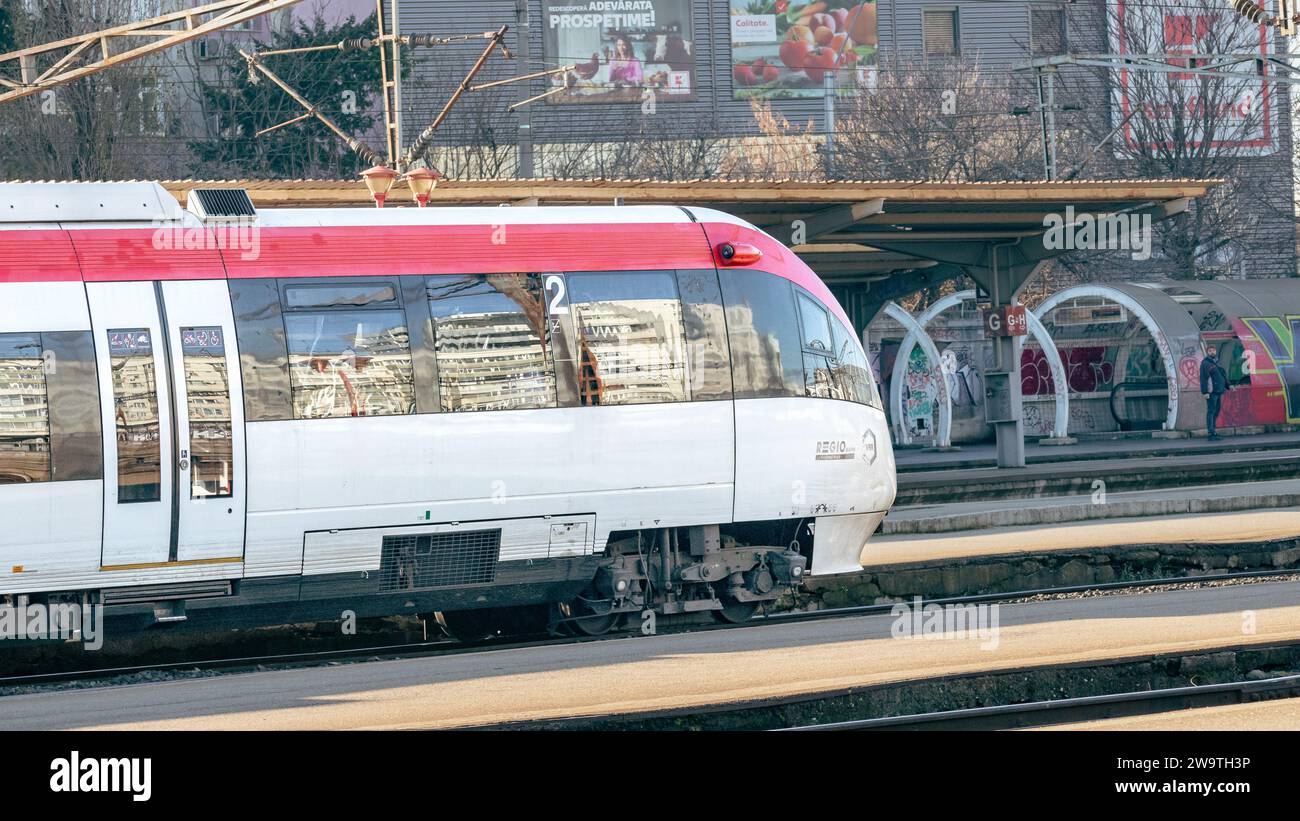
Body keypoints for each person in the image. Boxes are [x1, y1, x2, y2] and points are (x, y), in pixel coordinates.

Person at [1199, 344, 1230, 440]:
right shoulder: (1205, 363)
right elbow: (1203, 378)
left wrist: (1227, 385)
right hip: (1211, 392)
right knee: (1211, 411)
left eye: (1213, 350)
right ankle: (1211, 433)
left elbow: (1222, 374)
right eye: (1210, 350)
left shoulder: (1216, 362)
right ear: (1207, 352)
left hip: (1218, 391)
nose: (1212, 352)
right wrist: (1205, 392)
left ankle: (1213, 431)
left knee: (1216, 411)